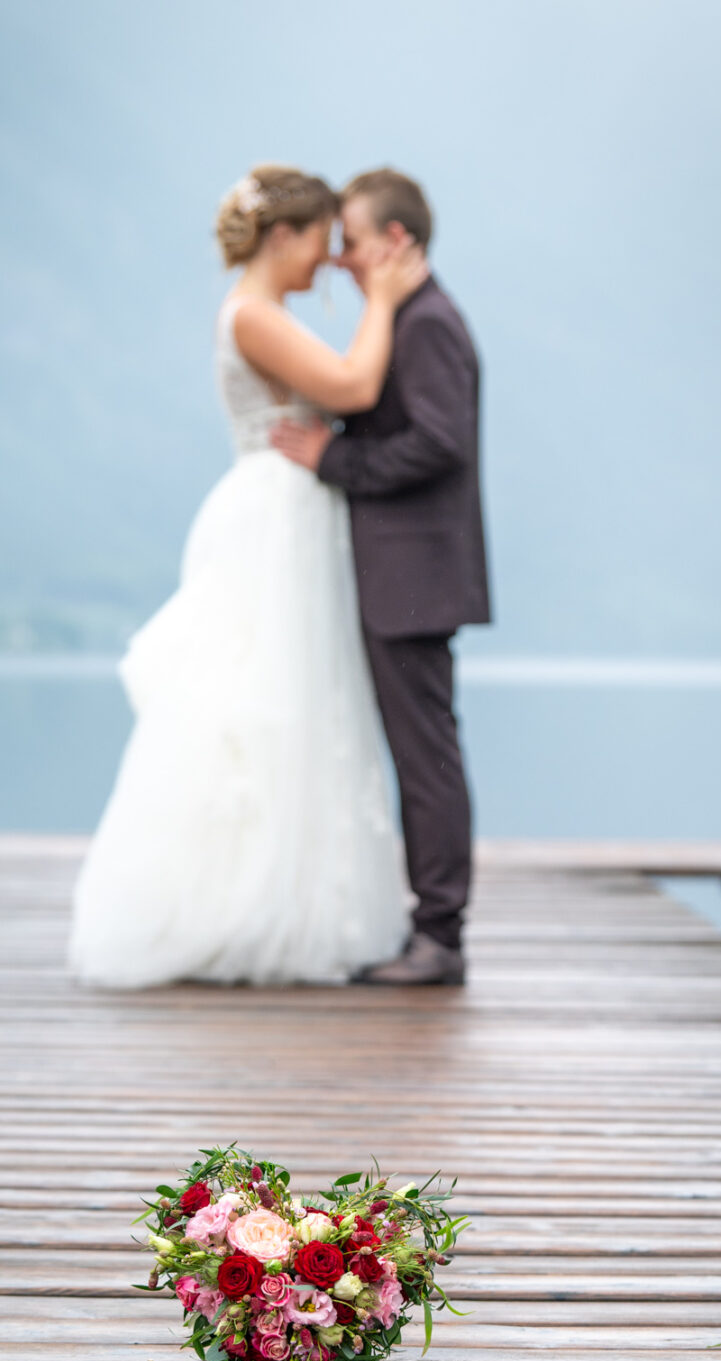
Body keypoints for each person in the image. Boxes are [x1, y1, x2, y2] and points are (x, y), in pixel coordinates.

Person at [67, 165, 424, 988]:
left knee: (301, 701)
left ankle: (295, 894)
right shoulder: (255, 317)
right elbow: (354, 384)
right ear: (282, 237)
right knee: (265, 699)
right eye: (320, 242)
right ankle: (246, 903)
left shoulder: (263, 315)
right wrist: (382, 301)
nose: (328, 261)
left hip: (290, 515)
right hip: (274, 524)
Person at [272, 168, 491, 985]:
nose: (342, 260)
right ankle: (430, 926)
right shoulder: (410, 316)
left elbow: (440, 441)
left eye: (353, 242)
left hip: (414, 576)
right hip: (401, 573)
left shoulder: (430, 324)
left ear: (395, 240)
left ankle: (441, 934)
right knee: (418, 753)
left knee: (425, 757)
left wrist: (337, 457)